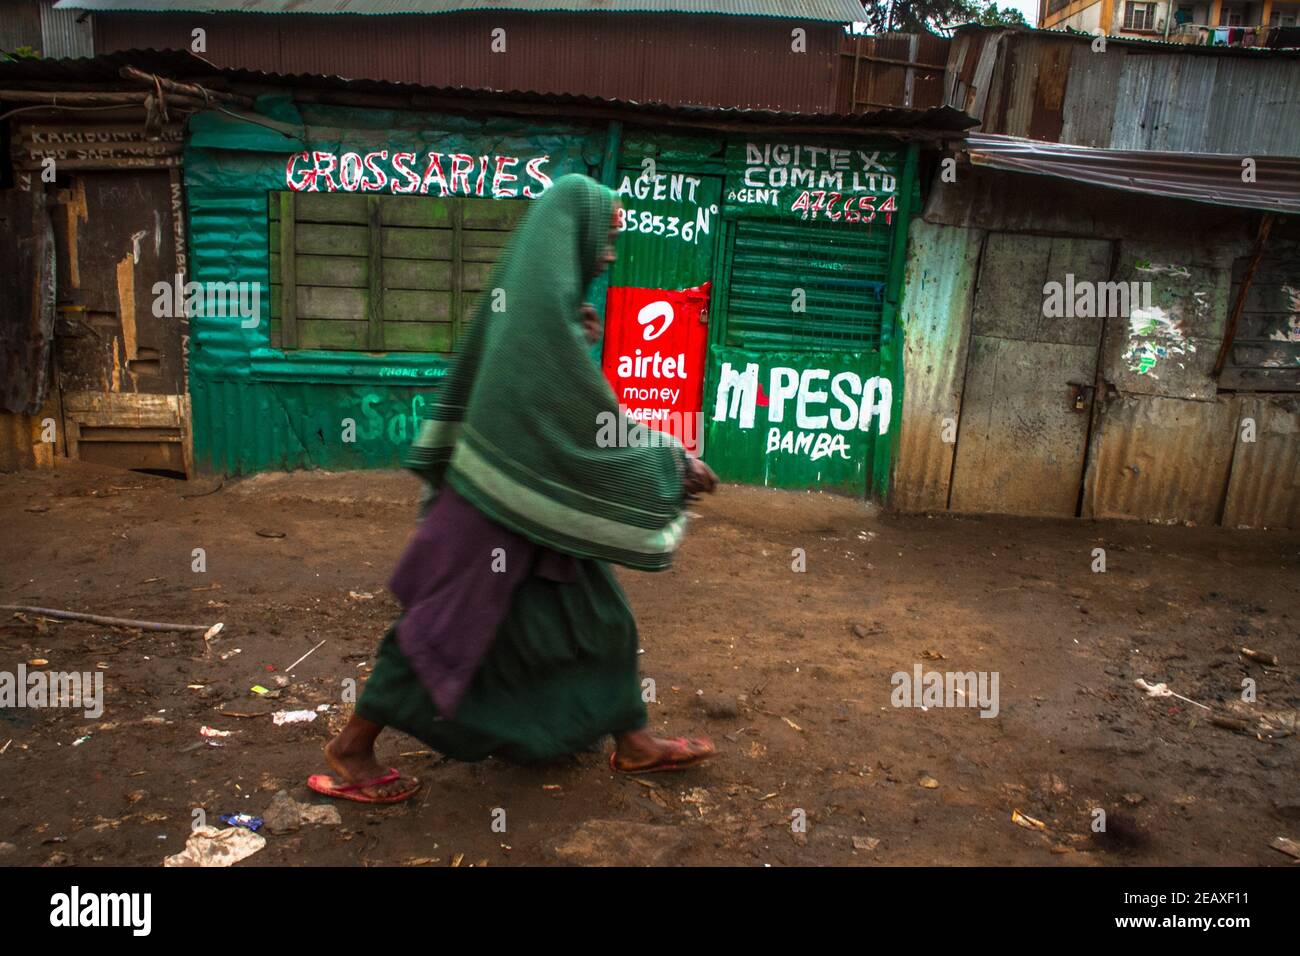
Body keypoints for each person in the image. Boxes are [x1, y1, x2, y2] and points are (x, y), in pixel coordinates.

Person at [308, 173, 718, 803]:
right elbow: (575, 417)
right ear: (573, 234)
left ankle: (633, 744)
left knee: (599, 617)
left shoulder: (542, 305)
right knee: (442, 630)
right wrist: (666, 462)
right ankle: (350, 750)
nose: (609, 253)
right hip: (493, 501)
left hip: (527, 499)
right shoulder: (539, 318)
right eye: (605, 237)